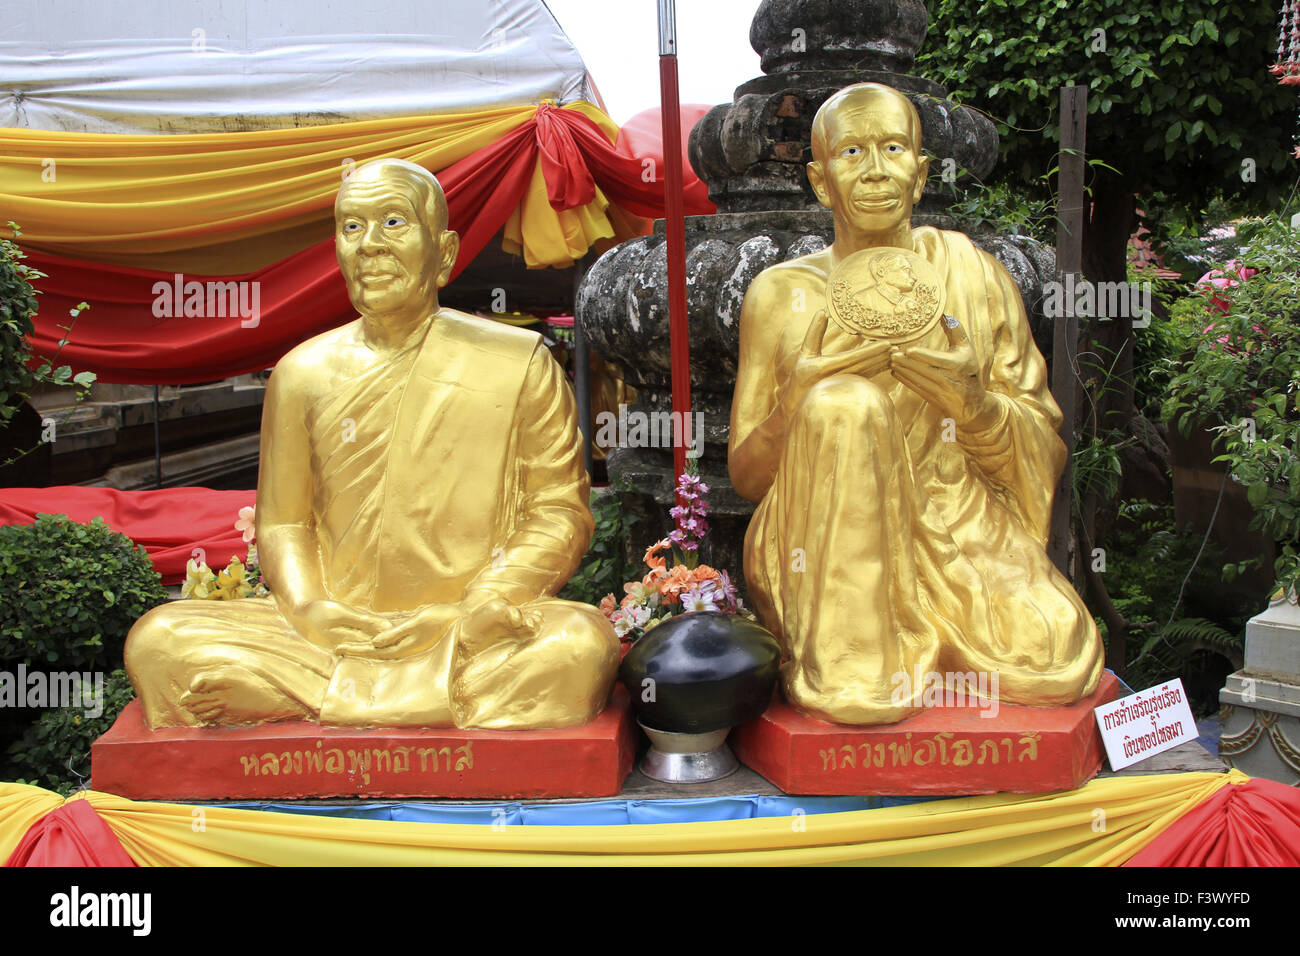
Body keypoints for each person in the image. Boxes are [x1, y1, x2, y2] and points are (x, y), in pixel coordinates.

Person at [125, 158, 619, 730]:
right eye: (352, 227)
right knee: (158, 640)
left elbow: (558, 512)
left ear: (446, 252)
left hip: (461, 628)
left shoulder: (517, 360)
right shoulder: (301, 373)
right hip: (330, 632)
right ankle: (395, 699)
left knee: (581, 648)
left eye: (393, 222)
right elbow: (284, 524)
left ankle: (311, 701)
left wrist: (473, 606)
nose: (370, 246)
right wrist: (311, 609)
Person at [728, 83, 1103, 726]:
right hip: (822, 533)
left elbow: (1042, 441)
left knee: (1052, 642)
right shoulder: (781, 295)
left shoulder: (973, 275)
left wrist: (974, 402)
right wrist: (794, 406)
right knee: (845, 402)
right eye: (851, 152)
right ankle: (854, 657)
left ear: (921, 172)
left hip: (956, 513)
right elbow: (747, 476)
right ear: (821, 182)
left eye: (893, 148)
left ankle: (913, 638)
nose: (875, 171)